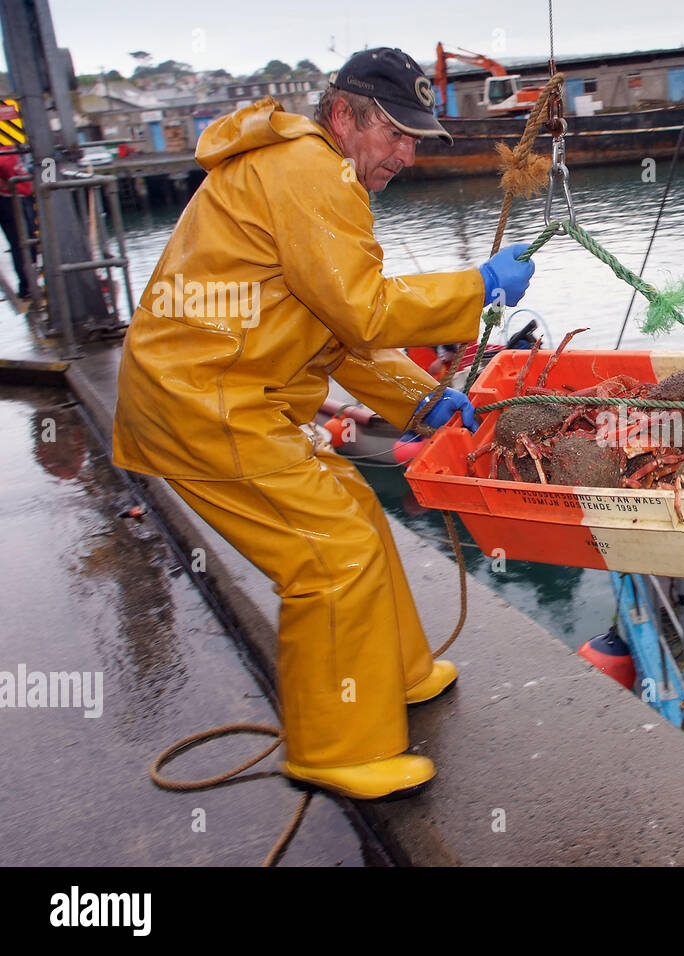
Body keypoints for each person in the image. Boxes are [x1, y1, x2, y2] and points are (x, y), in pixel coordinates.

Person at [113, 48, 536, 800]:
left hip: (231, 392)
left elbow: (330, 324)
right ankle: (334, 746)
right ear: (344, 116)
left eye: (415, 138)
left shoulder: (303, 170)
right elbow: (365, 308)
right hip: (203, 404)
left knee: (353, 515)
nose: (407, 153)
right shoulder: (314, 174)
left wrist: (418, 397)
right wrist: (477, 285)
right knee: (329, 557)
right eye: (396, 134)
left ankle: (394, 675)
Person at [0, 150, 36, 300]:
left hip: (23, 195)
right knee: (23, 243)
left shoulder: (11, 145)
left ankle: (29, 284)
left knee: (25, 242)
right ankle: (27, 286)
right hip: (12, 198)